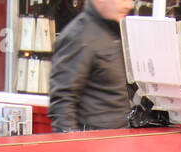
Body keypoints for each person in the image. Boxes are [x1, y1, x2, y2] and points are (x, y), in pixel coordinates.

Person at [48, 0, 135, 133]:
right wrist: (74, 147)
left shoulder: (118, 31)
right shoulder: (79, 37)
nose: (129, 5)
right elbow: (62, 102)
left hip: (121, 140)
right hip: (96, 143)